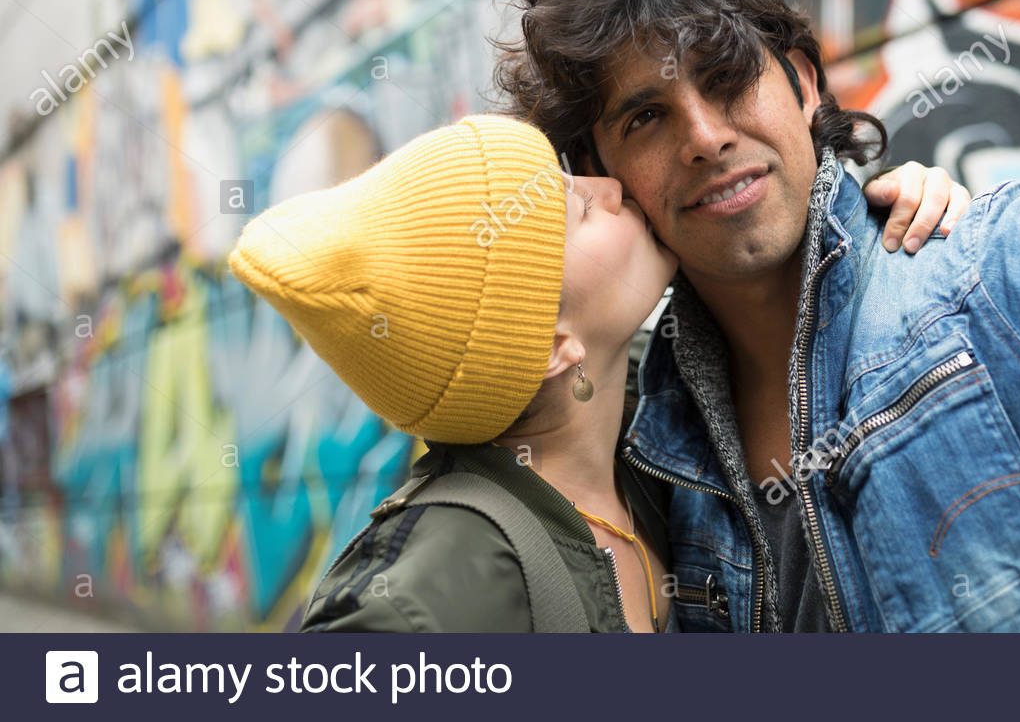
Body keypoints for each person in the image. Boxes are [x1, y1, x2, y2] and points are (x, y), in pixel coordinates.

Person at [495, 0, 1020, 632]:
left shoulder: (1002, 273)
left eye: (728, 76)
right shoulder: (652, 451)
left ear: (806, 83)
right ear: (603, 177)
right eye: (646, 117)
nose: (706, 138)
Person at [227, 113, 969, 632]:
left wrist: (881, 226)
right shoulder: (427, 593)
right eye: (578, 208)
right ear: (552, 346)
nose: (612, 189)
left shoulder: (667, 444)